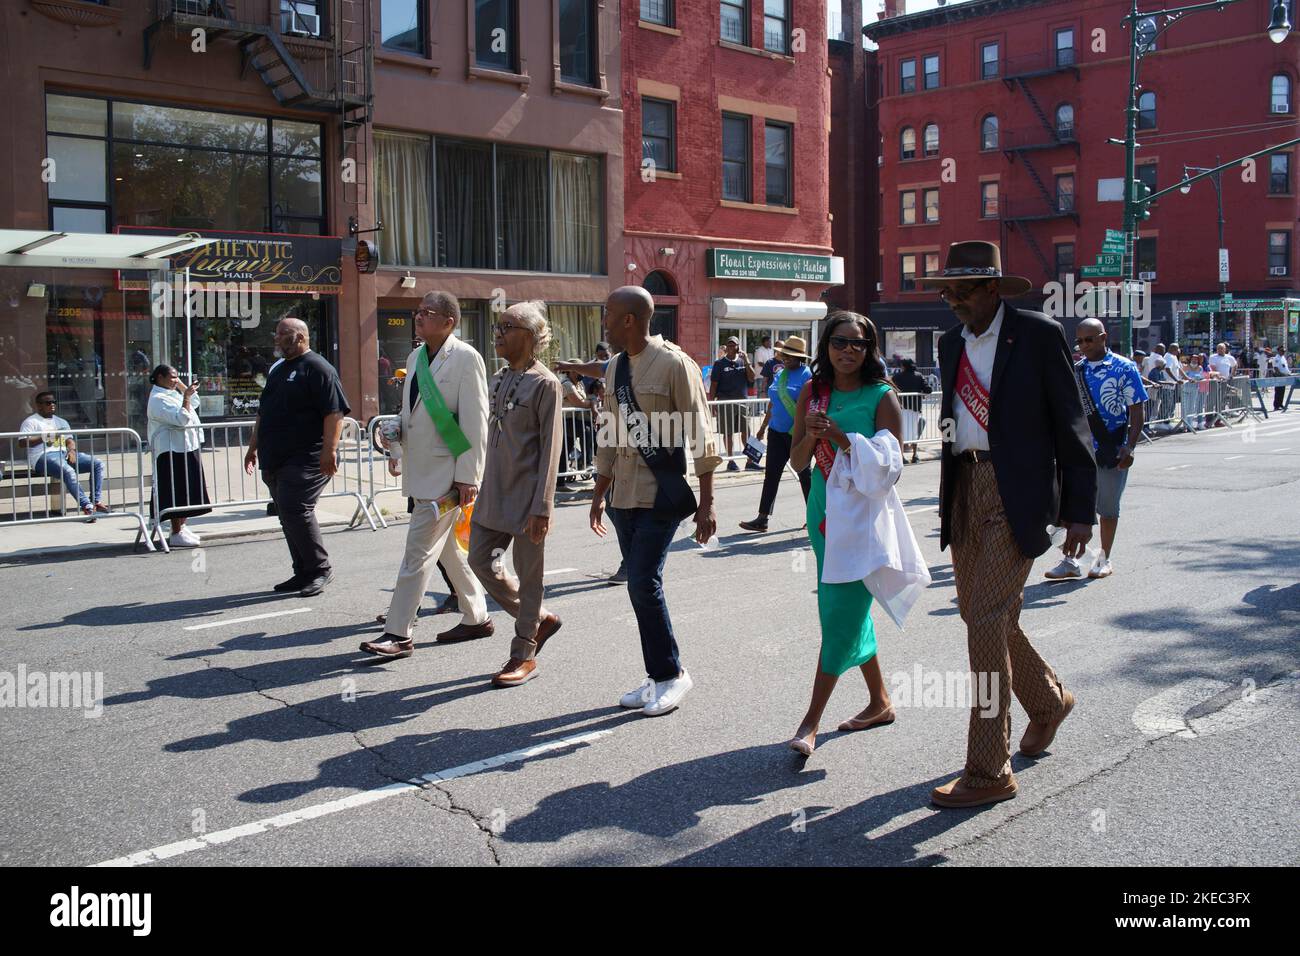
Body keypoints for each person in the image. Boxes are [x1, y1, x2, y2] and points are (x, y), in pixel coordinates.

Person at [921, 241, 1096, 809]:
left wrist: (1078, 509)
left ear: (993, 288)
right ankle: (1047, 702)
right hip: (965, 488)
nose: (950, 300)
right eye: (945, 290)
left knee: (986, 620)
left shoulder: (1038, 335)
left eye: (961, 290)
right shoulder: (950, 344)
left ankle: (987, 767)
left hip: (1015, 491)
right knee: (982, 614)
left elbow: (1072, 425)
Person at [591, 286, 720, 717]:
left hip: (661, 492)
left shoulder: (674, 364)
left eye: (609, 314)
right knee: (641, 587)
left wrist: (707, 503)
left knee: (642, 582)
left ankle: (671, 675)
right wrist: (597, 493)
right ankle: (658, 673)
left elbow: (702, 435)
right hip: (622, 495)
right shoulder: (613, 368)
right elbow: (608, 433)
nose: (604, 322)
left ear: (629, 319)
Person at [785, 313, 902, 755]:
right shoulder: (813, 393)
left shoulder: (882, 396)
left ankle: (809, 723)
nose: (848, 350)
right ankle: (880, 701)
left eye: (858, 343)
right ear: (826, 345)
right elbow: (797, 463)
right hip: (823, 513)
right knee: (849, 609)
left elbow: (891, 469)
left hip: (862, 518)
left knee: (838, 614)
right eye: (840, 341)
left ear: (870, 349)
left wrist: (842, 438)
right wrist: (812, 437)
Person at [360, 292, 492, 660]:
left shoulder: (467, 358)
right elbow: (414, 412)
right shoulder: (416, 356)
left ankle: (398, 632)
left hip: (447, 476)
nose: (418, 317)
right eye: (417, 312)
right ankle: (478, 616)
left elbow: (475, 422)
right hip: (421, 471)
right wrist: (396, 435)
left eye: (426, 313)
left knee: (417, 552)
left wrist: (469, 477)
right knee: (448, 552)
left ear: (449, 321)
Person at [467, 301, 565, 687]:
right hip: (493, 493)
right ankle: (538, 618)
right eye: (498, 325)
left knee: (530, 577)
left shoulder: (546, 384)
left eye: (506, 326)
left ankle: (524, 651)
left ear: (528, 335)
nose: (498, 333)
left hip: (528, 500)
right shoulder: (498, 378)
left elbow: (552, 449)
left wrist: (542, 506)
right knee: (479, 561)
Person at [243, 318, 350, 596]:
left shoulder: (318, 368)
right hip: (274, 456)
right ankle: (302, 571)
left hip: (306, 456)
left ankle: (320, 569)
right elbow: (263, 413)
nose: (276, 338)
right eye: (276, 333)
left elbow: (334, 412)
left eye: (282, 334)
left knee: (296, 509)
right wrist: (252, 447)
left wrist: (330, 451)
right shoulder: (278, 369)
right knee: (286, 514)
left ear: (300, 337)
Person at [1044, 319, 1145, 581]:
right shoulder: (1075, 370)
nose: (1083, 345)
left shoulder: (1124, 367)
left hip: (1111, 448)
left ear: (1103, 337)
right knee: (1069, 508)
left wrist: (1130, 446)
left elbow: (1136, 410)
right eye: (1079, 341)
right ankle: (1070, 561)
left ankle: (1103, 559)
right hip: (1079, 450)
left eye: (1089, 339)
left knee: (1108, 509)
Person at [739, 336, 812, 532]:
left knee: (805, 475)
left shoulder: (808, 376)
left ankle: (815, 516)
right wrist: (763, 427)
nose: (786, 358)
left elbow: (811, 406)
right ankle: (762, 518)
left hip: (796, 434)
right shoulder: (781, 374)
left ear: (800, 358)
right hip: (776, 431)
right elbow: (774, 402)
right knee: (771, 475)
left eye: (791, 356)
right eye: (784, 355)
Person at [147, 365, 211, 549]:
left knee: (188, 488)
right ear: (160, 377)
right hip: (171, 450)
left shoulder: (172, 392)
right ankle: (176, 531)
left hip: (186, 447)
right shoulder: (158, 398)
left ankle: (182, 527)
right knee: (176, 491)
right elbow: (181, 420)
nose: (176, 381)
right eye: (172, 377)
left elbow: (195, 403)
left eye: (177, 377)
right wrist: (186, 396)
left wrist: (184, 388)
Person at [18, 391, 107, 520]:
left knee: (97, 463)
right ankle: (87, 506)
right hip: (43, 457)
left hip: (64, 454)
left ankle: (95, 502)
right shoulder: (31, 422)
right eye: (48, 403)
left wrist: (72, 450)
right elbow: (22, 442)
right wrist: (45, 437)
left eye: (54, 402)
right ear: (39, 405)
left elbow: (69, 440)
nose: (52, 405)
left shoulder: (61, 421)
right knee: (68, 471)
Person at [708, 336, 759, 471]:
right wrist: (712, 404)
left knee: (746, 432)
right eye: (729, 345)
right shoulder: (719, 364)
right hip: (725, 402)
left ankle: (751, 461)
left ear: (738, 347)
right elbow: (713, 385)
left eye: (734, 345)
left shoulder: (743, 362)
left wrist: (747, 360)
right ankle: (731, 461)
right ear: (726, 347)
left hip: (742, 401)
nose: (731, 348)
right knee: (728, 433)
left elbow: (752, 377)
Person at [890, 357, 933, 464]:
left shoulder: (897, 377)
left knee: (901, 431)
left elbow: (890, 388)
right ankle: (915, 455)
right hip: (914, 408)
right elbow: (928, 390)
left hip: (900, 408)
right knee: (914, 431)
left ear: (903, 366)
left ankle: (902, 455)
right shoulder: (918, 376)